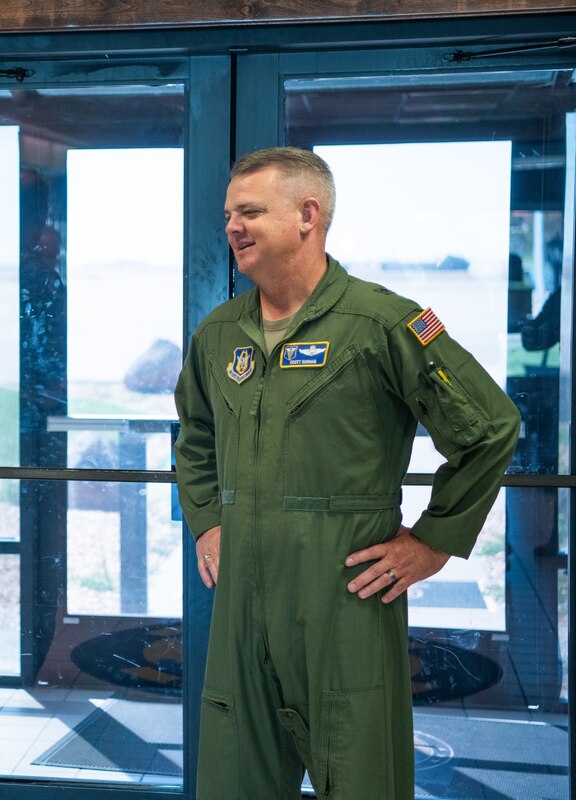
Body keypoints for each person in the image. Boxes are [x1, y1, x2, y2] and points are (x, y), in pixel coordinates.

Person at [173, 147, 519, 799]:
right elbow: (194, 436)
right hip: (241, 600)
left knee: (362, 777)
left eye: (250, 212)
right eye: (228, 215)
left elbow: (490, 426)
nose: (233, 227)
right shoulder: (218, 334)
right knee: (231, 778)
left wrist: (434, 540)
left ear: (308, 215)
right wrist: (207, 522)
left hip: (345, 593)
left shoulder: (383, 323)